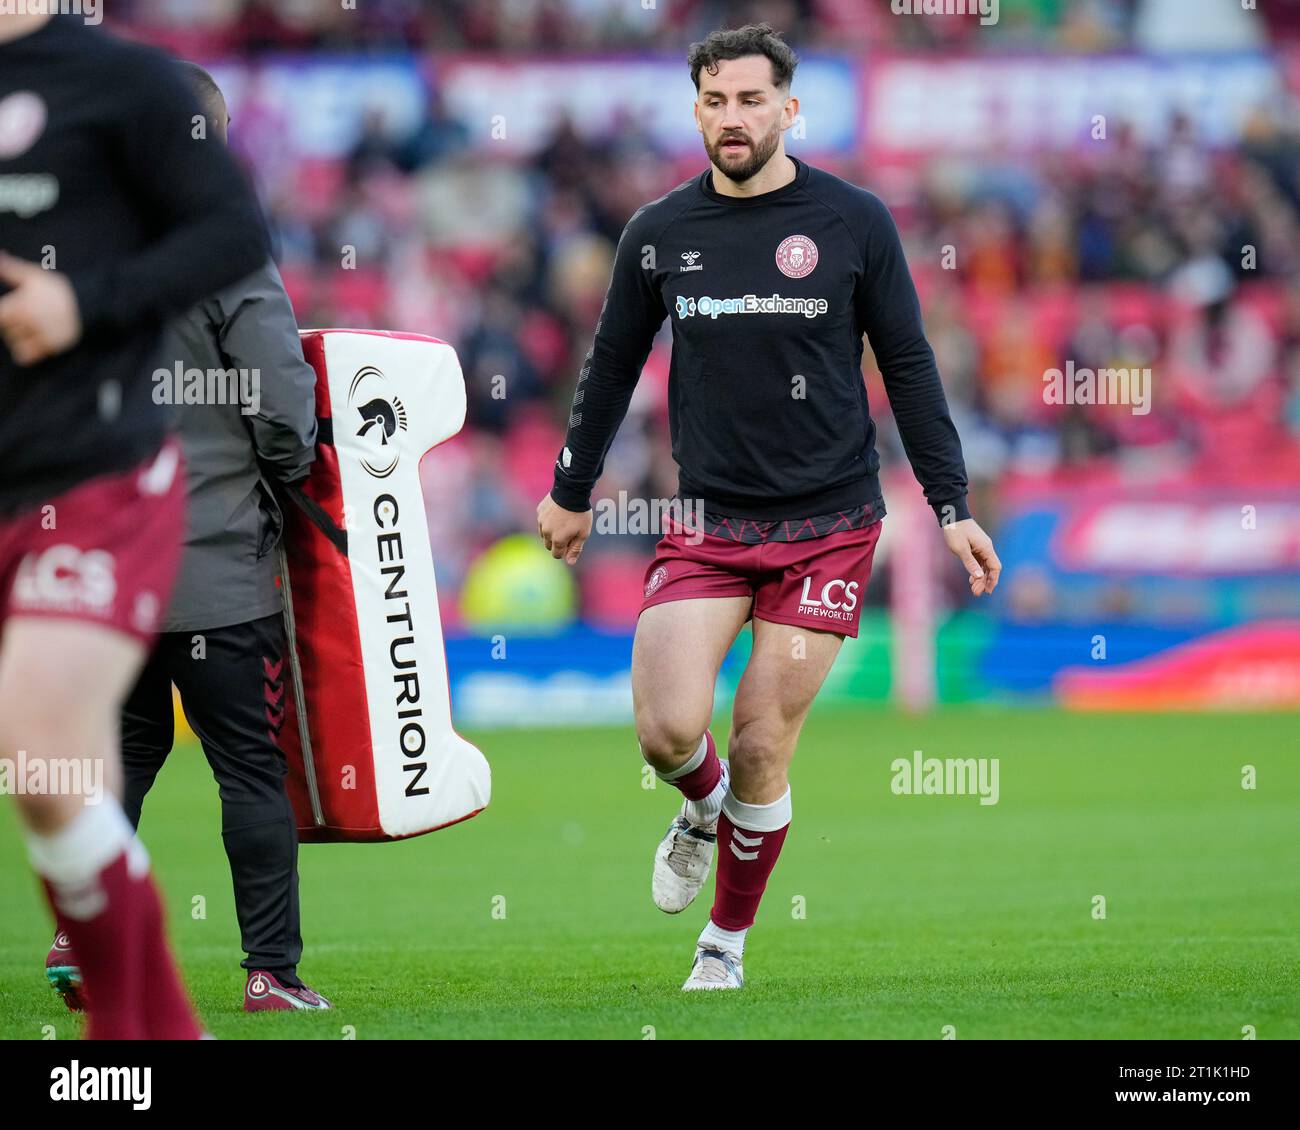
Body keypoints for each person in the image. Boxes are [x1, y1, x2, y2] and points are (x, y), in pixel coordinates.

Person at [535, 23, 1001, 991]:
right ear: (696, 108)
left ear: (789, 108)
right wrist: (570, 488)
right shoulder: (659, 232)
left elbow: (907, 364)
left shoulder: (851, 220)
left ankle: (724, 943)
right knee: (667, 731)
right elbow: (611, 364)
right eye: (715, 100)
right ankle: (698, 811)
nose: (732, 117)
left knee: (757, 738)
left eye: (752, 100)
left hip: (828, 525)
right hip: (706, 522)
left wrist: (949, 500)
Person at [0, 11, 269, 1037]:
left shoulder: (132, 85)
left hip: (94, 473)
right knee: (67, 786)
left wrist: (86, 301)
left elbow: (236, 234)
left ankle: (134, 1029)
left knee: (43, 753)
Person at [47, 64, 330, 1016]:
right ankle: (269, 973)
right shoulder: (225, 252)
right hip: (214, 568)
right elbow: (283, 405)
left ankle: (82, 947)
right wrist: (291, 480)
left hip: (104, 568)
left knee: (119, 758)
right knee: (249, 767)